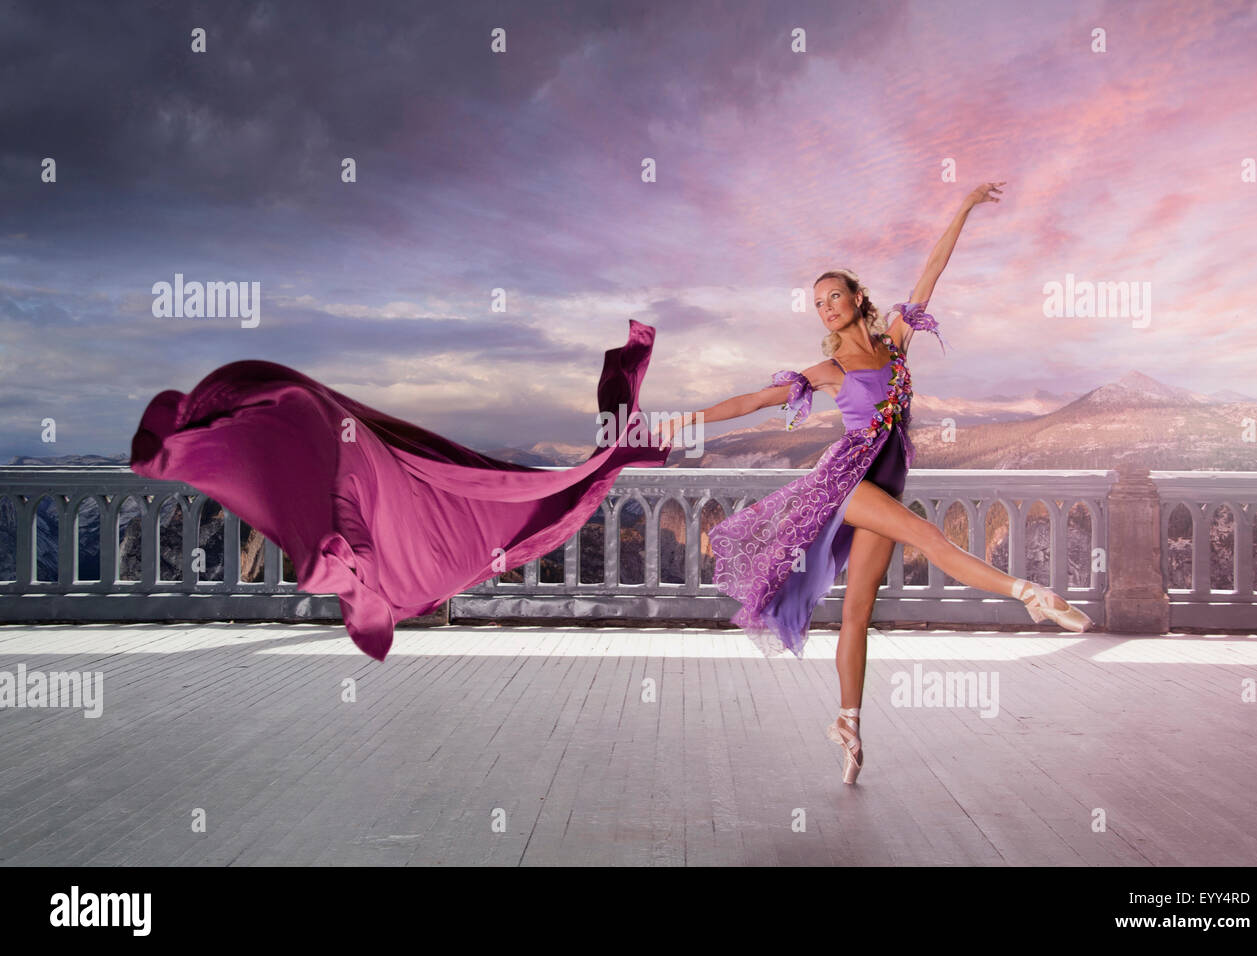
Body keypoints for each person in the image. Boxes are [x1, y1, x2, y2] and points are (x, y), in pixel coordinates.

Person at [652, 181, 1091, 785]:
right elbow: (756, 399)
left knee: (858, 613)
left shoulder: (896, 343)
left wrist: (963, 207)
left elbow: (931, 274)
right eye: (818, 303)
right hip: (848, 481)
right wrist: (687, 420)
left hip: (884, 486)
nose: (826, 307)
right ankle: (1031, 595)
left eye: (835, 296)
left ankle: (848, 724)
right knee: (931, 539)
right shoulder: (829, 371)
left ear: (859, 298)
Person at [130, 319, 672, 661]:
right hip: (389, 492)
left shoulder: (345, 447)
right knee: (339, 462)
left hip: (398, 505)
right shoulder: (342, 445)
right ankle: (345, 564)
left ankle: (345, 564)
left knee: (342, 467)